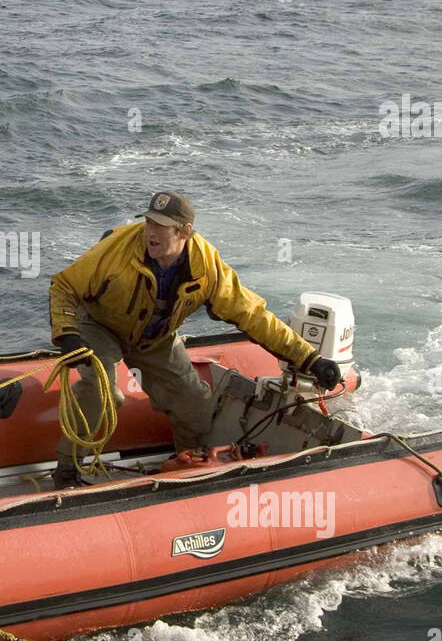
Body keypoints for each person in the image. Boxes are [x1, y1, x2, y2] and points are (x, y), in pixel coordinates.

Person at [48, 190, 341, 488]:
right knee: (105, 394)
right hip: (101, 326)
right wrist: (67, 334)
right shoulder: (118, 248)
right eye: (149, 222)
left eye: (161, 226)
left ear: (185, 231)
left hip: (155, 337)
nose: (151, 231)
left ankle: (184, 468)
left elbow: (252, 314)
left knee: (195, 402)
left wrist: (309, 358)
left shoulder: (206, 266)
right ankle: (67, 468)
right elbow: (64, 285)